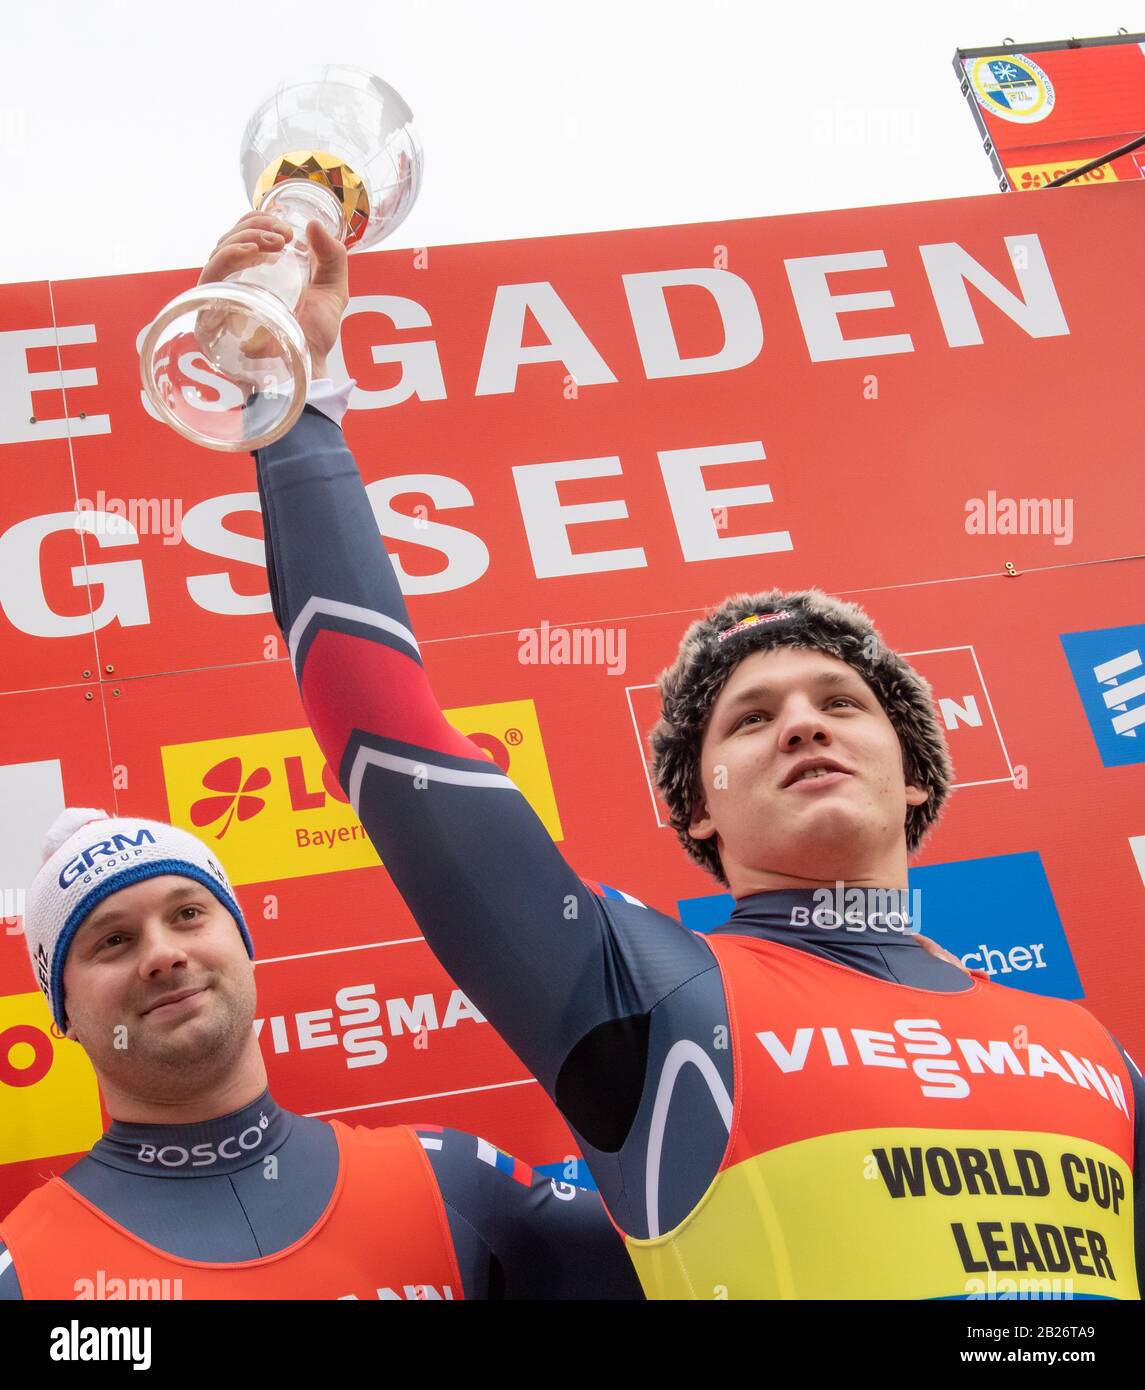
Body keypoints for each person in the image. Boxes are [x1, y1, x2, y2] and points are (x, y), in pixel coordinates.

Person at [244, 212, 1140, 1299]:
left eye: (838, 702)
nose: (801, 723)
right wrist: (294, 398)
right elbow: (385, 732)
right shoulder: (641, 989)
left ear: (914, 774)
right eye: (749, 719)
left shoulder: (1091, 1049)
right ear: (696, 807)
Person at [0, 809, 642, 1300]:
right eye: (113, 940)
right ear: (63, 1013)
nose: (163, 954)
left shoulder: (447, 1183)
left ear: (243, 944)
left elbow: (710, 1250)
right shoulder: (24, 1271)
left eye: (190, 913)